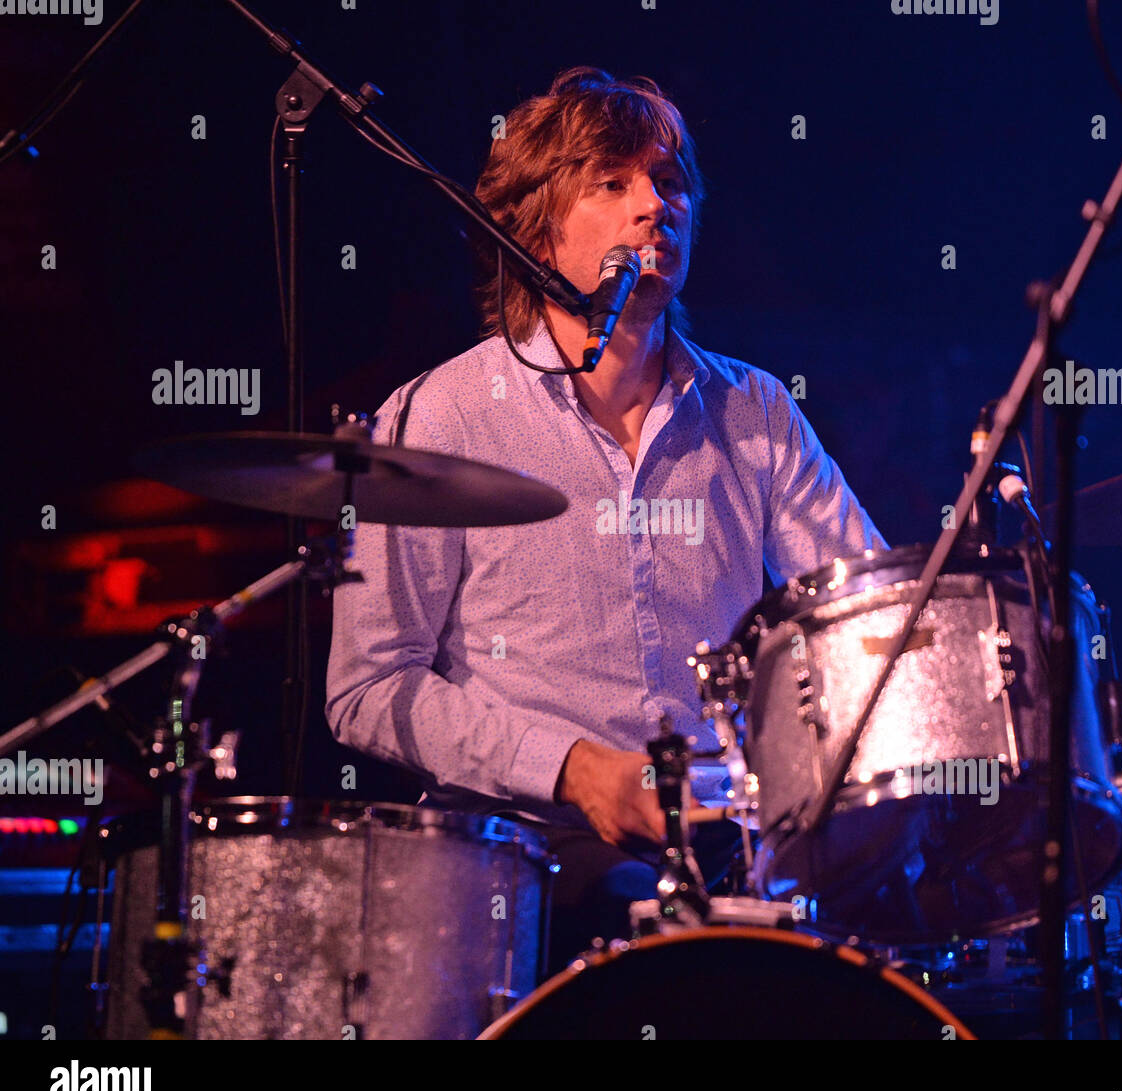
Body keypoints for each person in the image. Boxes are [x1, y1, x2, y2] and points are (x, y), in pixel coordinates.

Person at [325, 66, 886, 977]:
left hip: (727, 847)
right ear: (536, 225)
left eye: (670, 183)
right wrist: (570, 765)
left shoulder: (758, 412)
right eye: (614, 183)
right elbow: (366, 687)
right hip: (519, 856)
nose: (654, 206)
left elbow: (868, 623)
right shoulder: (444, 417)